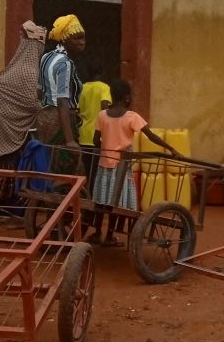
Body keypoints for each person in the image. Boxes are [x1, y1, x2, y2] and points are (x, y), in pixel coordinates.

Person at [92, 79, 177, 246]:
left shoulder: (102, 115)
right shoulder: (132, 117)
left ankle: (97, 233)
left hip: (104, 165)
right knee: (117, 203)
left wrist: (107, 147)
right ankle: (109, 236)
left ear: (112, 96)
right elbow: (151, 136)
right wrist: (171, 149)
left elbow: (96, 141)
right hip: (121, 167)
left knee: (102, 201)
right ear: (127, 97)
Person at [0, 21, 46, 166]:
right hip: (18, 136)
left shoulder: (17, 67)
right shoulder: (30, 71)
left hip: (2, 130)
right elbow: (30, 102)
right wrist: (41, 107)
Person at [35, 15, 87, 171]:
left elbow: (39, 92)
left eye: (83, 38)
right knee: (68, 170)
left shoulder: (46, 57)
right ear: (65, 40)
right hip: (61, 123)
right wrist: (70, 140)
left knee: (48, 165)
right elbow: (62, 101)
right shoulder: (65, 63)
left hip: (44, 119)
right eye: (77, 38)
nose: (82, 42)